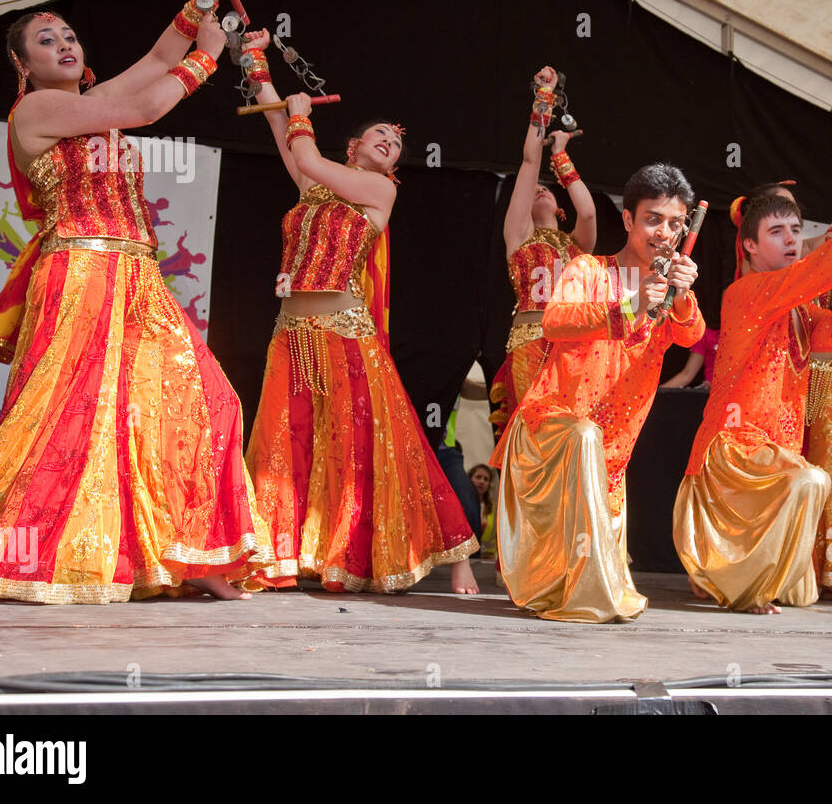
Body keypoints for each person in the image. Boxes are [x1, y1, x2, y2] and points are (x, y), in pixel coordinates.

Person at [0, 0, 274, 603]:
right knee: (69, 417)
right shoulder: (37, 110)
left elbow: (153, 59)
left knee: (204, 401)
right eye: (46, 40)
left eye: (68, 35)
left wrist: (200, 1)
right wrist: (207, 58)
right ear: (23, 66)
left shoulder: (89, 108)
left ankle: (186, 549)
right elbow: (148, 103)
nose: (64, 44)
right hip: (81, 273)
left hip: (137, 275)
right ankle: (25, 554)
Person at [240, 31, 478, 594]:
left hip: (345, 335)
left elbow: (301, 147)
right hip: (291, 333)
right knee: (285, 446)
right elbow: (282, 129)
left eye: (397, 143)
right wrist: (255, 63)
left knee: (363, 451)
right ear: (352, 144)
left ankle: (438, 556)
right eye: (381, 134)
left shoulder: (378, 192)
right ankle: (286, 555)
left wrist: (300, 118)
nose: (392, 141)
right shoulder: (314, 184)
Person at [674, 171, 832, 613]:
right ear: (750, 247)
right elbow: (819, 268)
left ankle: (763, 579)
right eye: (776, 232)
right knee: (810, 478)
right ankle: (747, 584)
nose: (791, 239)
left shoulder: (799, 306)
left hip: (774, 454)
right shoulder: (747, 293)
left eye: (796, 230)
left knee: (808, 485)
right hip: (735, 451)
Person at [490, 163, 704, 622]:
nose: (664, 232)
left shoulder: (670, 292)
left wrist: (681, 296)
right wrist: (632, 302)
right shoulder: (587, 268)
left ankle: (589, 592)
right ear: (628, 220)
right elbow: (554, 321)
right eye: (652, 219)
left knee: (593, 444)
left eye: (674, 223)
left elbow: (692, 336)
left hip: (610, 451)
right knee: (584, 435)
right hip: (554, 430)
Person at [488, 66, 596, 442]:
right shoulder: (518, 236)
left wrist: (562, 157)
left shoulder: (576, 244)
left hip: (574, 347)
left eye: (547, 189)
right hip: (531, 341)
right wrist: (543, 98)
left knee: (572, 435)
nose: (539, 191)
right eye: (535, 190)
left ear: (558, 205)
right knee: (536, 435)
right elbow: (530, 162)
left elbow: (588, 212)